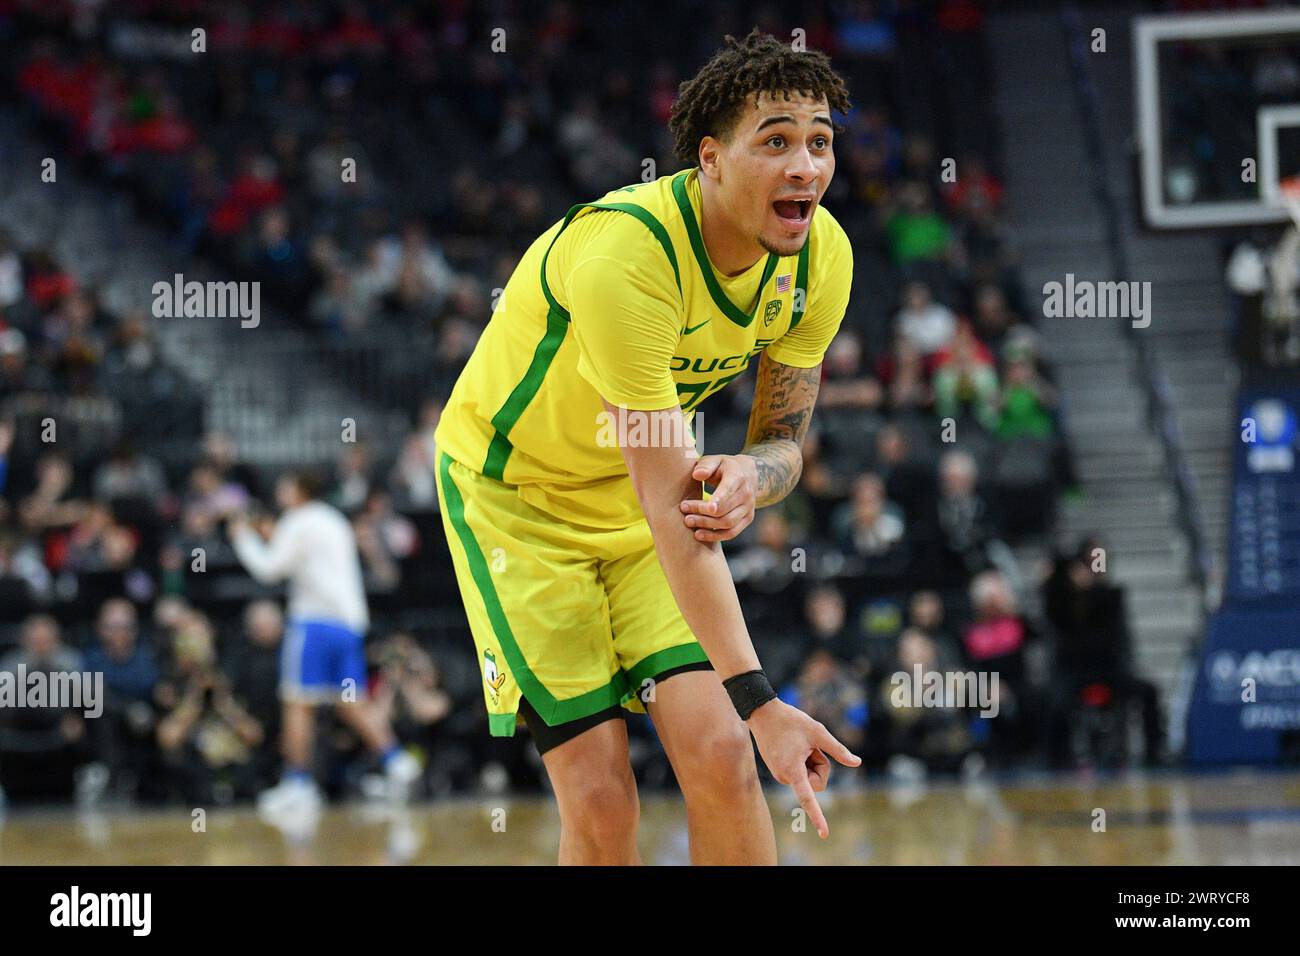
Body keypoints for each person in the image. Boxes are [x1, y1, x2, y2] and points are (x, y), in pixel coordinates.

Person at [433, 29, 859, 865]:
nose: (805, 166)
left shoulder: (821, 260)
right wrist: (763, 700)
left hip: (636, 505)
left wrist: (751, 474)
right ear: (710, 159)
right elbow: (675, 508)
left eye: (819, 143)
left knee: (724, 758)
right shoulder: (626, 261)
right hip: (519, 505)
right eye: (774, 142)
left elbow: (782, 444)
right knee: (601, 798)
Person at [227, 470, 419, 817]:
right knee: (350, 700)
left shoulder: (297, 520)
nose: (280, 490)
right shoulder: (334, 520)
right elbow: (311, 558)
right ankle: (398, 763)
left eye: (285, 484)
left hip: (313, 624)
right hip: (348, 625)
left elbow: (270, 569)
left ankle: (298, 784)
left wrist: (243, 538)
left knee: (298, 703)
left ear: (300, 488)